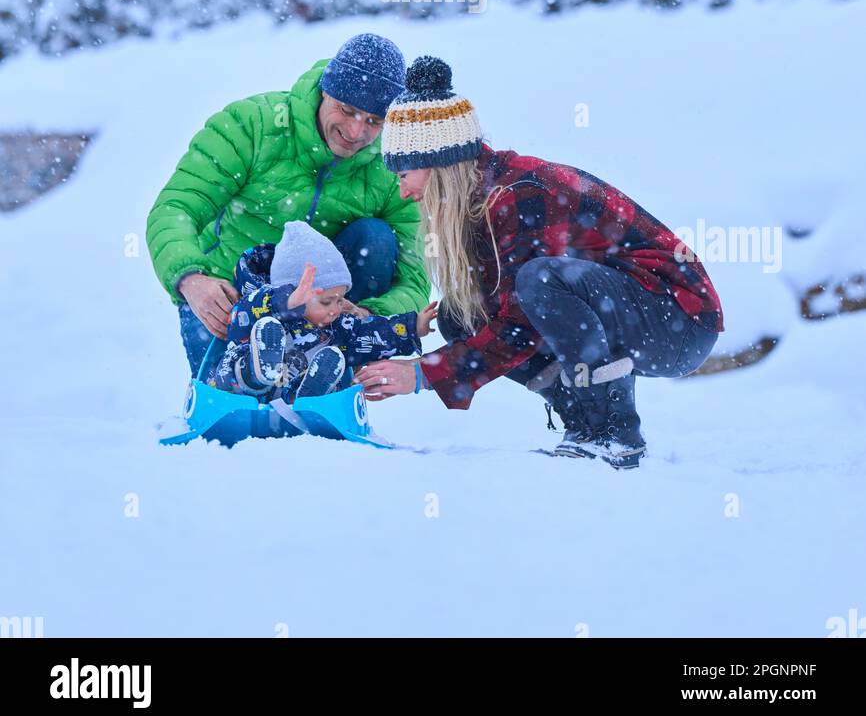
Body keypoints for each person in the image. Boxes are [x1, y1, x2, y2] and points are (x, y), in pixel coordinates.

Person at [355, 56, 723, 469]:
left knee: (540, 280)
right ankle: (582, 423)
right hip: (632, 316)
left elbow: (521, 324)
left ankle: (613, 434)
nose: (403, 191)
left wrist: (424, 374)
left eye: (404, 174)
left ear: (438, 165)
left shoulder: (520, 194)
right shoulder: (480, 200)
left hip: (679, 321)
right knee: (459, 316)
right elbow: (507, 319)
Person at [146, 34, 430, 376]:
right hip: (233, 296)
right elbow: (176, 208)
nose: (356, 131)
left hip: (325, 308)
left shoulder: (394, 166)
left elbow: (415, 273)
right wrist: (191, 280)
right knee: (234, 395)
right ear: (326, 91)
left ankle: (330, 372)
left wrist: (371, 316)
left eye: (374, 120)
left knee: (377, 237)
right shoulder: (251, 125)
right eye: (347, 110)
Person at [208, 222, 438, 401]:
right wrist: (287, 301)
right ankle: (257, 370)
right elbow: (239, 319)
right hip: (240, 393)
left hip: (293, 396)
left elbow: (372, 333)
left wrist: (411, 327)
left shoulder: (338, 326)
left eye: (341, 299)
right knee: (236, 360)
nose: (336, 309)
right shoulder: (258, 307)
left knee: (333, 365)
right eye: (327, 302)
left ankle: (310, 393)